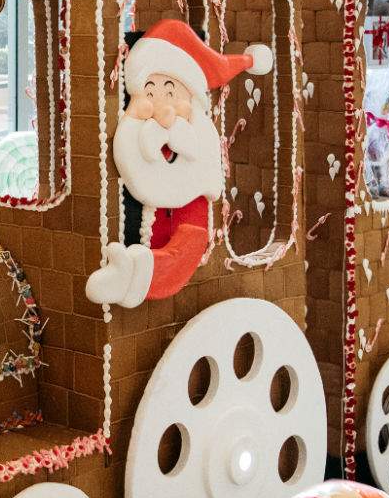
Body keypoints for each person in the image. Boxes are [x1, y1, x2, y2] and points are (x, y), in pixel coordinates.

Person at [86, 19, 270, 308]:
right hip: (144, 215)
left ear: (191, 98)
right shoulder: (137, 144)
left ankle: (132, 275)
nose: (161, 105)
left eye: (170, 92)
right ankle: (127, 272)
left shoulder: (196, 164)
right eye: (150, 92)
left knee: (188, 245)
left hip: (186, 222)